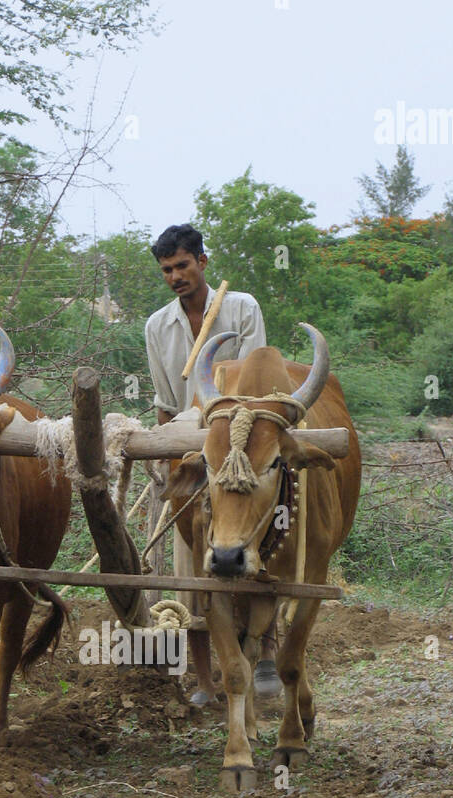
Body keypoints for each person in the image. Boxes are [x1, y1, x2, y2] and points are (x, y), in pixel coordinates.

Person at [144, 223, 281, 702]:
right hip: (191, 448)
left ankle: (266, 649)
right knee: (194, 569)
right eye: (167, 270)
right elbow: (164, 399)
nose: (176, 276)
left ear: (202, 262)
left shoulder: (241, 308)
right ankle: (205, 679)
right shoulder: (157, 326)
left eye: (183, 265)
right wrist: (163, 453)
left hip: (243, 442)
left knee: (271, 539)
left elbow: (257, 376)